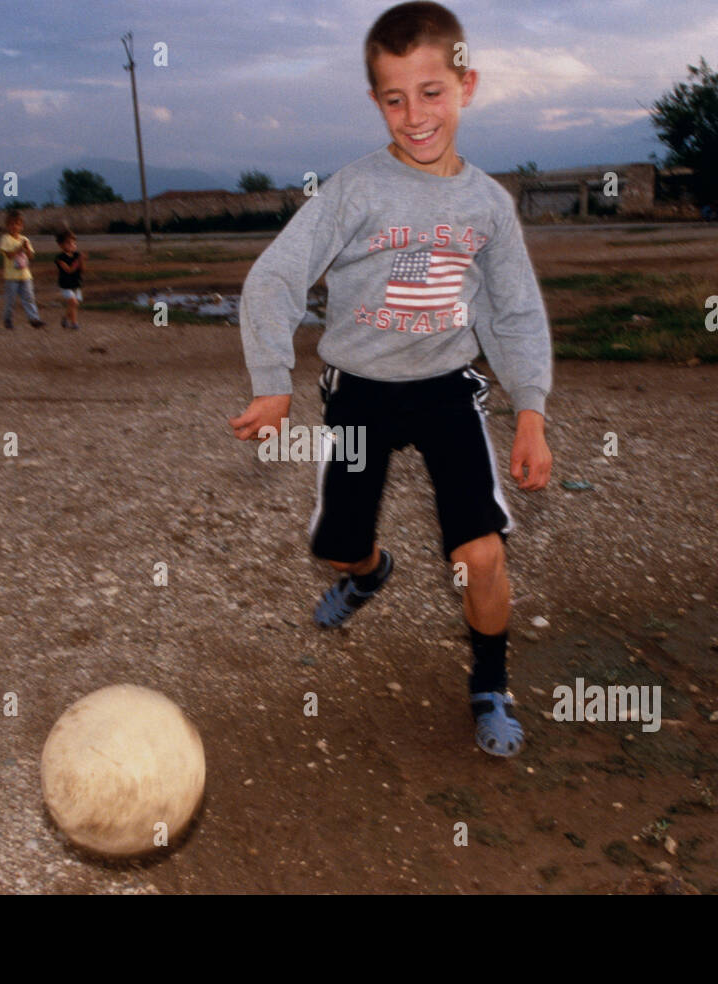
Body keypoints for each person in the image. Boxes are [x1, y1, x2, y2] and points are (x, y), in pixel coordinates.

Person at [229, 1, 553, 757]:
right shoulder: (354, 190)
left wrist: (530, 410)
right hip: (360, 391)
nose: (415, 115)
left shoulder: (489, 206)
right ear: (376, 101)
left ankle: (490, 687)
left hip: (446, 389)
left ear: (466, 85)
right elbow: (276, 276)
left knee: (482, 551)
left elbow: (514, 313)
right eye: (395, 97)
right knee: (339, 544)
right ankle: (368, 572)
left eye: (431, 92)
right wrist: (271, 379)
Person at [0, 210, 44, 329]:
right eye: (11, 224)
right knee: (11, 300)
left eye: (17, 224)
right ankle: (7, 319)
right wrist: (19, 248)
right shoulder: (6, 239)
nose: (14, 227)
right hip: (11, 276)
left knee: (29, 297)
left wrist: (27, 248)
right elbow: (9, 255)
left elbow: (31, 256)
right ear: (7, 226)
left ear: (21, 226)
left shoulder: (25, 239)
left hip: (25, 275)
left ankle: (34, 319)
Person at [54, 231, 84, 330]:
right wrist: (78, 261)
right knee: (74, 303)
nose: (72, 245)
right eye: (68, 243)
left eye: (73, 243)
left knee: (74, 304)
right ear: (61, 245)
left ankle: (65, 318)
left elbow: (82, 269)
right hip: (66, 285)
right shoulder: (60, 258)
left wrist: (82, 262)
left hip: (76, 283)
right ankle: (74, 323)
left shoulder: (76, 255)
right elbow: (69, 270)